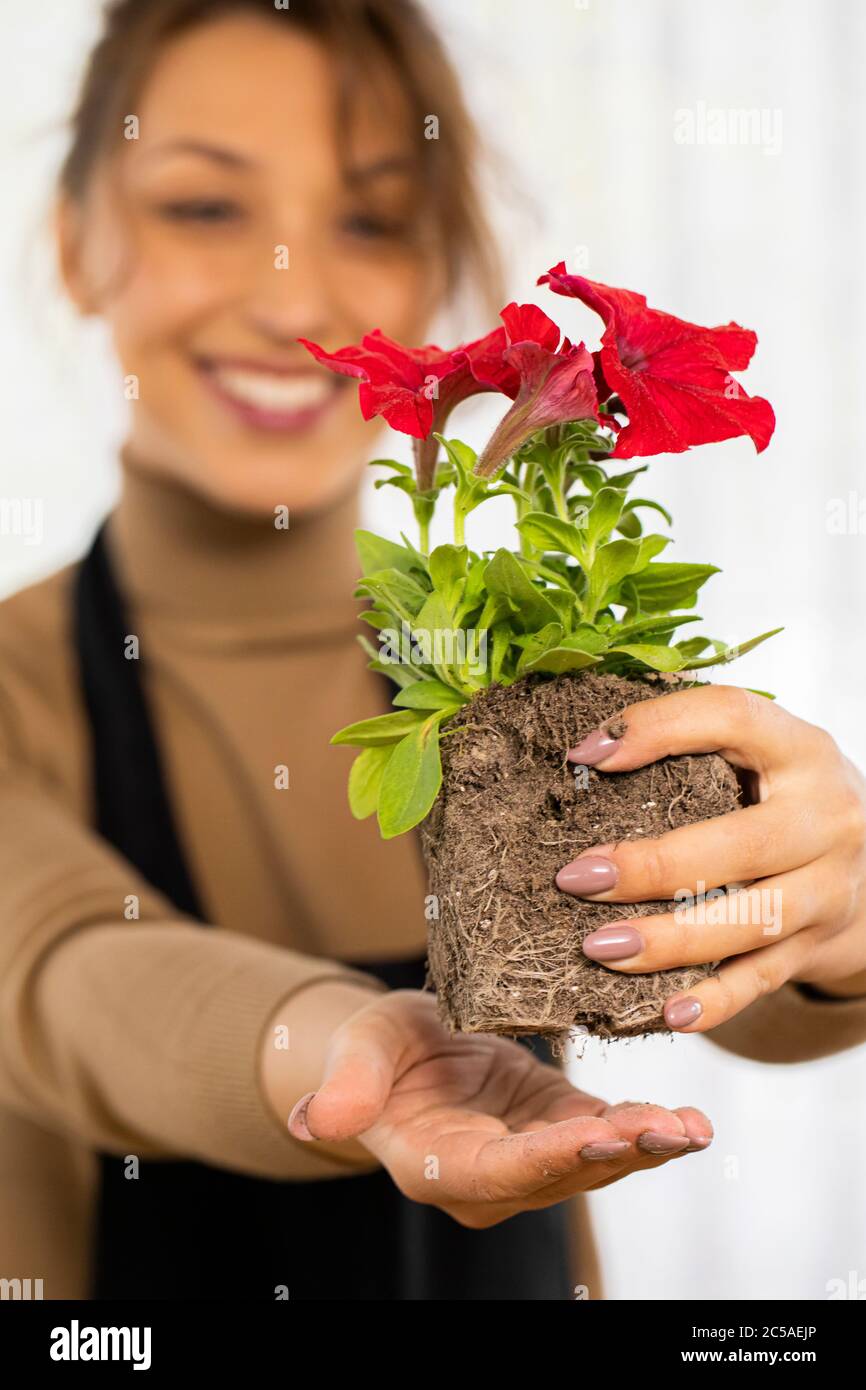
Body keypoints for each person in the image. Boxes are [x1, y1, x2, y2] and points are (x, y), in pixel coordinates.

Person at [1, 0, 865, 1301]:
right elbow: (62, 969)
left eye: (368, 219)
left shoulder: (509, 656)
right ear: (76, 243)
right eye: (203, 206)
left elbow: (752, 993)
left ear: (432, 268)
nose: (292, 294)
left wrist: (822, 912)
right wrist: (343, 1049)